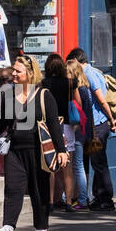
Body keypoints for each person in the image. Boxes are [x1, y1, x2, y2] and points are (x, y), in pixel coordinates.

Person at [0, 55, 69, 231]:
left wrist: (61, 150)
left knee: (38, 190)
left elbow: (54, 125)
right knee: (12, 188)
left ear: (30, 74)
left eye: (18, 71)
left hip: (38, 151)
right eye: (13, 70)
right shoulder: (8, 95)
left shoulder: (44, 95)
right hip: (15, 150)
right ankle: (8, 227)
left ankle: (41, 230)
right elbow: (2, 122)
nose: (13, 74)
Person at [67, 47, 116, 211]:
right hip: (97, 124)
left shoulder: (88, 74)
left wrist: (112, 120)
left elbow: (101, 100)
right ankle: (98, 197)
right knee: (96, 163)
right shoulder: (94, 72)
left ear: (76, 61)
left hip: (98, 125)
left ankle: (105, 199)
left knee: (99, 163)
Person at [41, 54, 80, 210]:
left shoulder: (44, 83)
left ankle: (50, 201)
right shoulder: (71, 83)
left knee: (50, 164)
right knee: (67, 167)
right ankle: (69, 202)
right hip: (67, 126)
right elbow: (78, 104)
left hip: (49, 125)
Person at [64, 57, 90, 210]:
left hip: (77, 129)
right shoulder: (85, 87)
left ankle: (81, 199)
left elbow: (78, 109)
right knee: (77, 165)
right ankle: (78, 197)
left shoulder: (77, 90)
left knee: (77, 166)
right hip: (82, 129)